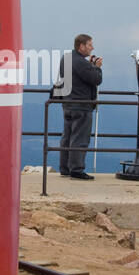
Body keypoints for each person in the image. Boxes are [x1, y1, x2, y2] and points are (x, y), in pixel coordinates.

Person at [55, 33, 103, 180]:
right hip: (81, 104)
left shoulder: (67, 58)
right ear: (81, 46)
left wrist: (90, 65)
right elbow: (96, 79)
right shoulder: (81, 62)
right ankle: (76, 169)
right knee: (79, 138)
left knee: (67, 136)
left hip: (68, 103)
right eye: (89, 45)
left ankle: (65, 168)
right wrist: (97, 67)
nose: (92, 47)